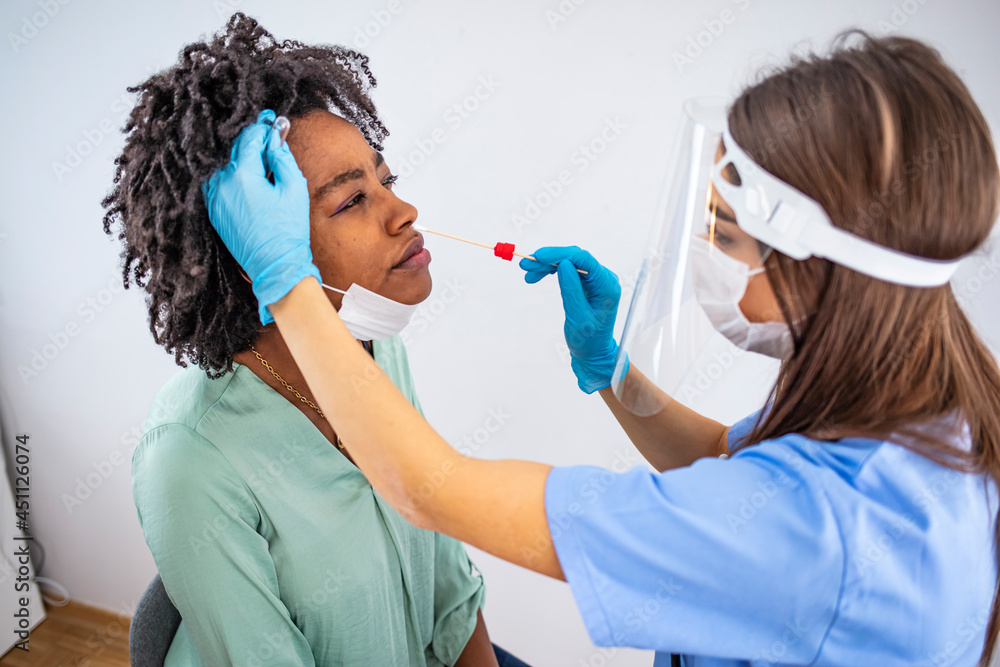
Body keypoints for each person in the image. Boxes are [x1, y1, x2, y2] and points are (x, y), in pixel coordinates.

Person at [202, 29, 1000, 666]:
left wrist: (283, 279)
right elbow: (727, 457)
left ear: (817, 271)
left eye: (724, 230)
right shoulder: (933, 406)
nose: (703, 247)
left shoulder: (819, 535)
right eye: (350, 196)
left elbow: (427, 490)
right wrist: (612, 370)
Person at [102, 13, 532, 667]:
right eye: (351, 201)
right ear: (256, 248)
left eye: (383, 180)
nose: (403, 211)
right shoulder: (189, 457)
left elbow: (447, 576)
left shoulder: (374, 347)